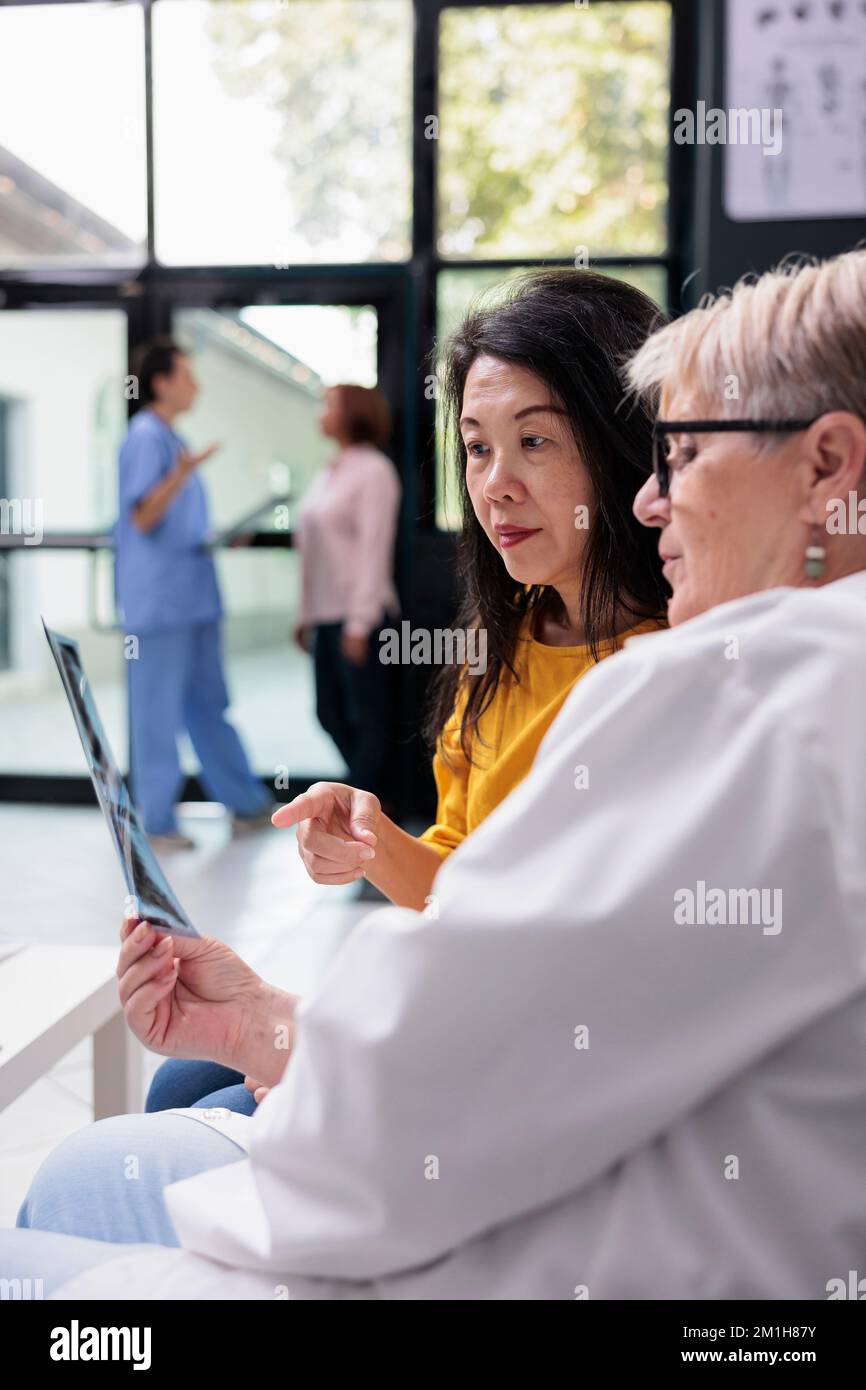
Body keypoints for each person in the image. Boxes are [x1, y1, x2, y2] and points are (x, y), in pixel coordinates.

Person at [4, 249, 866, 1300]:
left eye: (680, 454)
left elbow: (439, 1094)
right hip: (486, 1189)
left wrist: (275, 1048)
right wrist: (276, 1020)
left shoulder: (744, 691)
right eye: (472, 448)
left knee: (70, 1198)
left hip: (460, 1223)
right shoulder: (656, 675)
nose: (652, 499)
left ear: (827, 466)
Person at [143, 269, 668, 1116]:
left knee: (202, 1098)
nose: (495, 483)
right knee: (181, 1076)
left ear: (623, 446)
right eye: (476, 444)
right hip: (463, 1014)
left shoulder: (667, 677)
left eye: (535, 440)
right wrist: (374, 838)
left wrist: (311, 1038)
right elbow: (457, 884)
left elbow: (564, 977)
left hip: (524, 1069)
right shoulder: (504, 646)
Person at [115, 339, 273, 850]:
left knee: (209, 705)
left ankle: (245, 804)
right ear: (162, 382)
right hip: (160, 604)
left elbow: (176, 522)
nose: (196, 385)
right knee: (156, 714)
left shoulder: (169, 437)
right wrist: (182, 474)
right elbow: (143, 516)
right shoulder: (145, 437)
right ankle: (154, 822)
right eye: (188, 375)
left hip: (193, 597)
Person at [294, 384, 401, 800]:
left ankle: (366, 817)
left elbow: (375, 551)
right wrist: (306, 616)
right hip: (325, 616)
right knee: (328, 713)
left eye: (328, 404)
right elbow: (312, 551)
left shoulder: (374, 470)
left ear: (351, 412)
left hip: (362, 618)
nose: (320, 412)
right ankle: (369, 803)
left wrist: (360, 622)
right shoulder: (330, 471)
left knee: (371, 720)